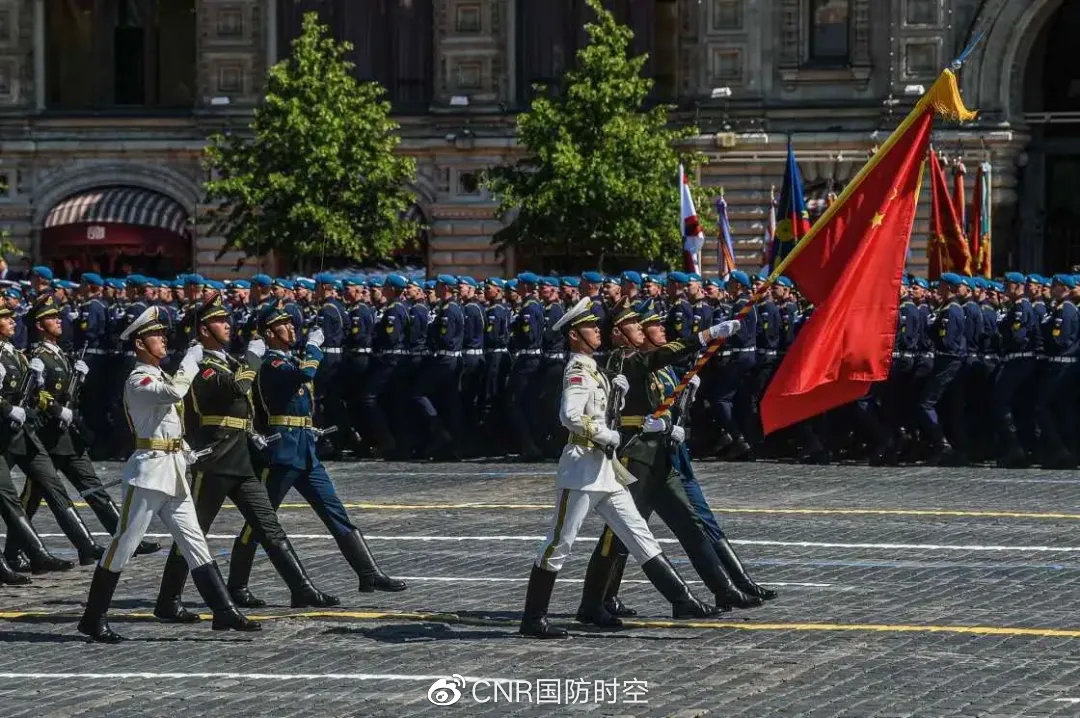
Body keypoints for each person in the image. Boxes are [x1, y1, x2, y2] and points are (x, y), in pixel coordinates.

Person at [519, 298, 718, 640]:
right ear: (574, 336)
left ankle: (681, 599)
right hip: (582, 469)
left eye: (596, 325)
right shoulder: (578, 370)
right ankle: (533, 618)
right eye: (589, 327)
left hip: (605, 470)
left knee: (638, 533)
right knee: (559, 542)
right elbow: (570, 415)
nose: (597, 331)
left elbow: (602, 410)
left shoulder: (595, 368)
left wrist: (617, 398)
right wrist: (604, 433)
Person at [78, 306, 259, 642]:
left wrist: (184, 448)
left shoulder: (160, 376)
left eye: (163, 334)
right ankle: (93, 617)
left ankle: (224, 611)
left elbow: (169, 422)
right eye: (156, 335)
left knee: (194, 541)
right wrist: (191, 360)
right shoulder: (139, 379)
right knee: (124, 544)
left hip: (172, 470)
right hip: (148, 474)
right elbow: (176, 393)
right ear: (140, 344)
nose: (163, 340)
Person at [575, 303, 762, 628]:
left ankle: (723, 589)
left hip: (659, 457)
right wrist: (705, 335)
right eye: (633, 324)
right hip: (634, 458)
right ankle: (592, 602)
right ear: (618, 333)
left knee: (689, 522)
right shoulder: (618, 361)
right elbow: (650, 365)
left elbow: (657, 369)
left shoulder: (641, 360)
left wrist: (670, 423)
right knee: (618, 535)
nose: (640, 328)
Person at [153, 293, 337, 621]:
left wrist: (253, 433)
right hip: (214, 461)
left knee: (268, 525)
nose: (228, 325)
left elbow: (245, 404)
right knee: (193, 533)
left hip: (239, 458)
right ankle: (168, 599)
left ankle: (301, 588)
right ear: (204, 330)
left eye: (227, 319)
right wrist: (252, 357)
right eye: (220, 321)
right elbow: (236, 388)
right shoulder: (201, 367)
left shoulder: (227, 361)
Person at [225, 301, 406, 606]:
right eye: (284, 325)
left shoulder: (288, 360)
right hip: (281, 455)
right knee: (259, 522)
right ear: (270, 333)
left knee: (335, 511)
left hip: (306, 451)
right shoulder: (271, 364)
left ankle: (368, 572)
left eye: (291, 323)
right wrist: (314, 347)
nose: (291, 328)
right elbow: (306, 374)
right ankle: (237, 585)